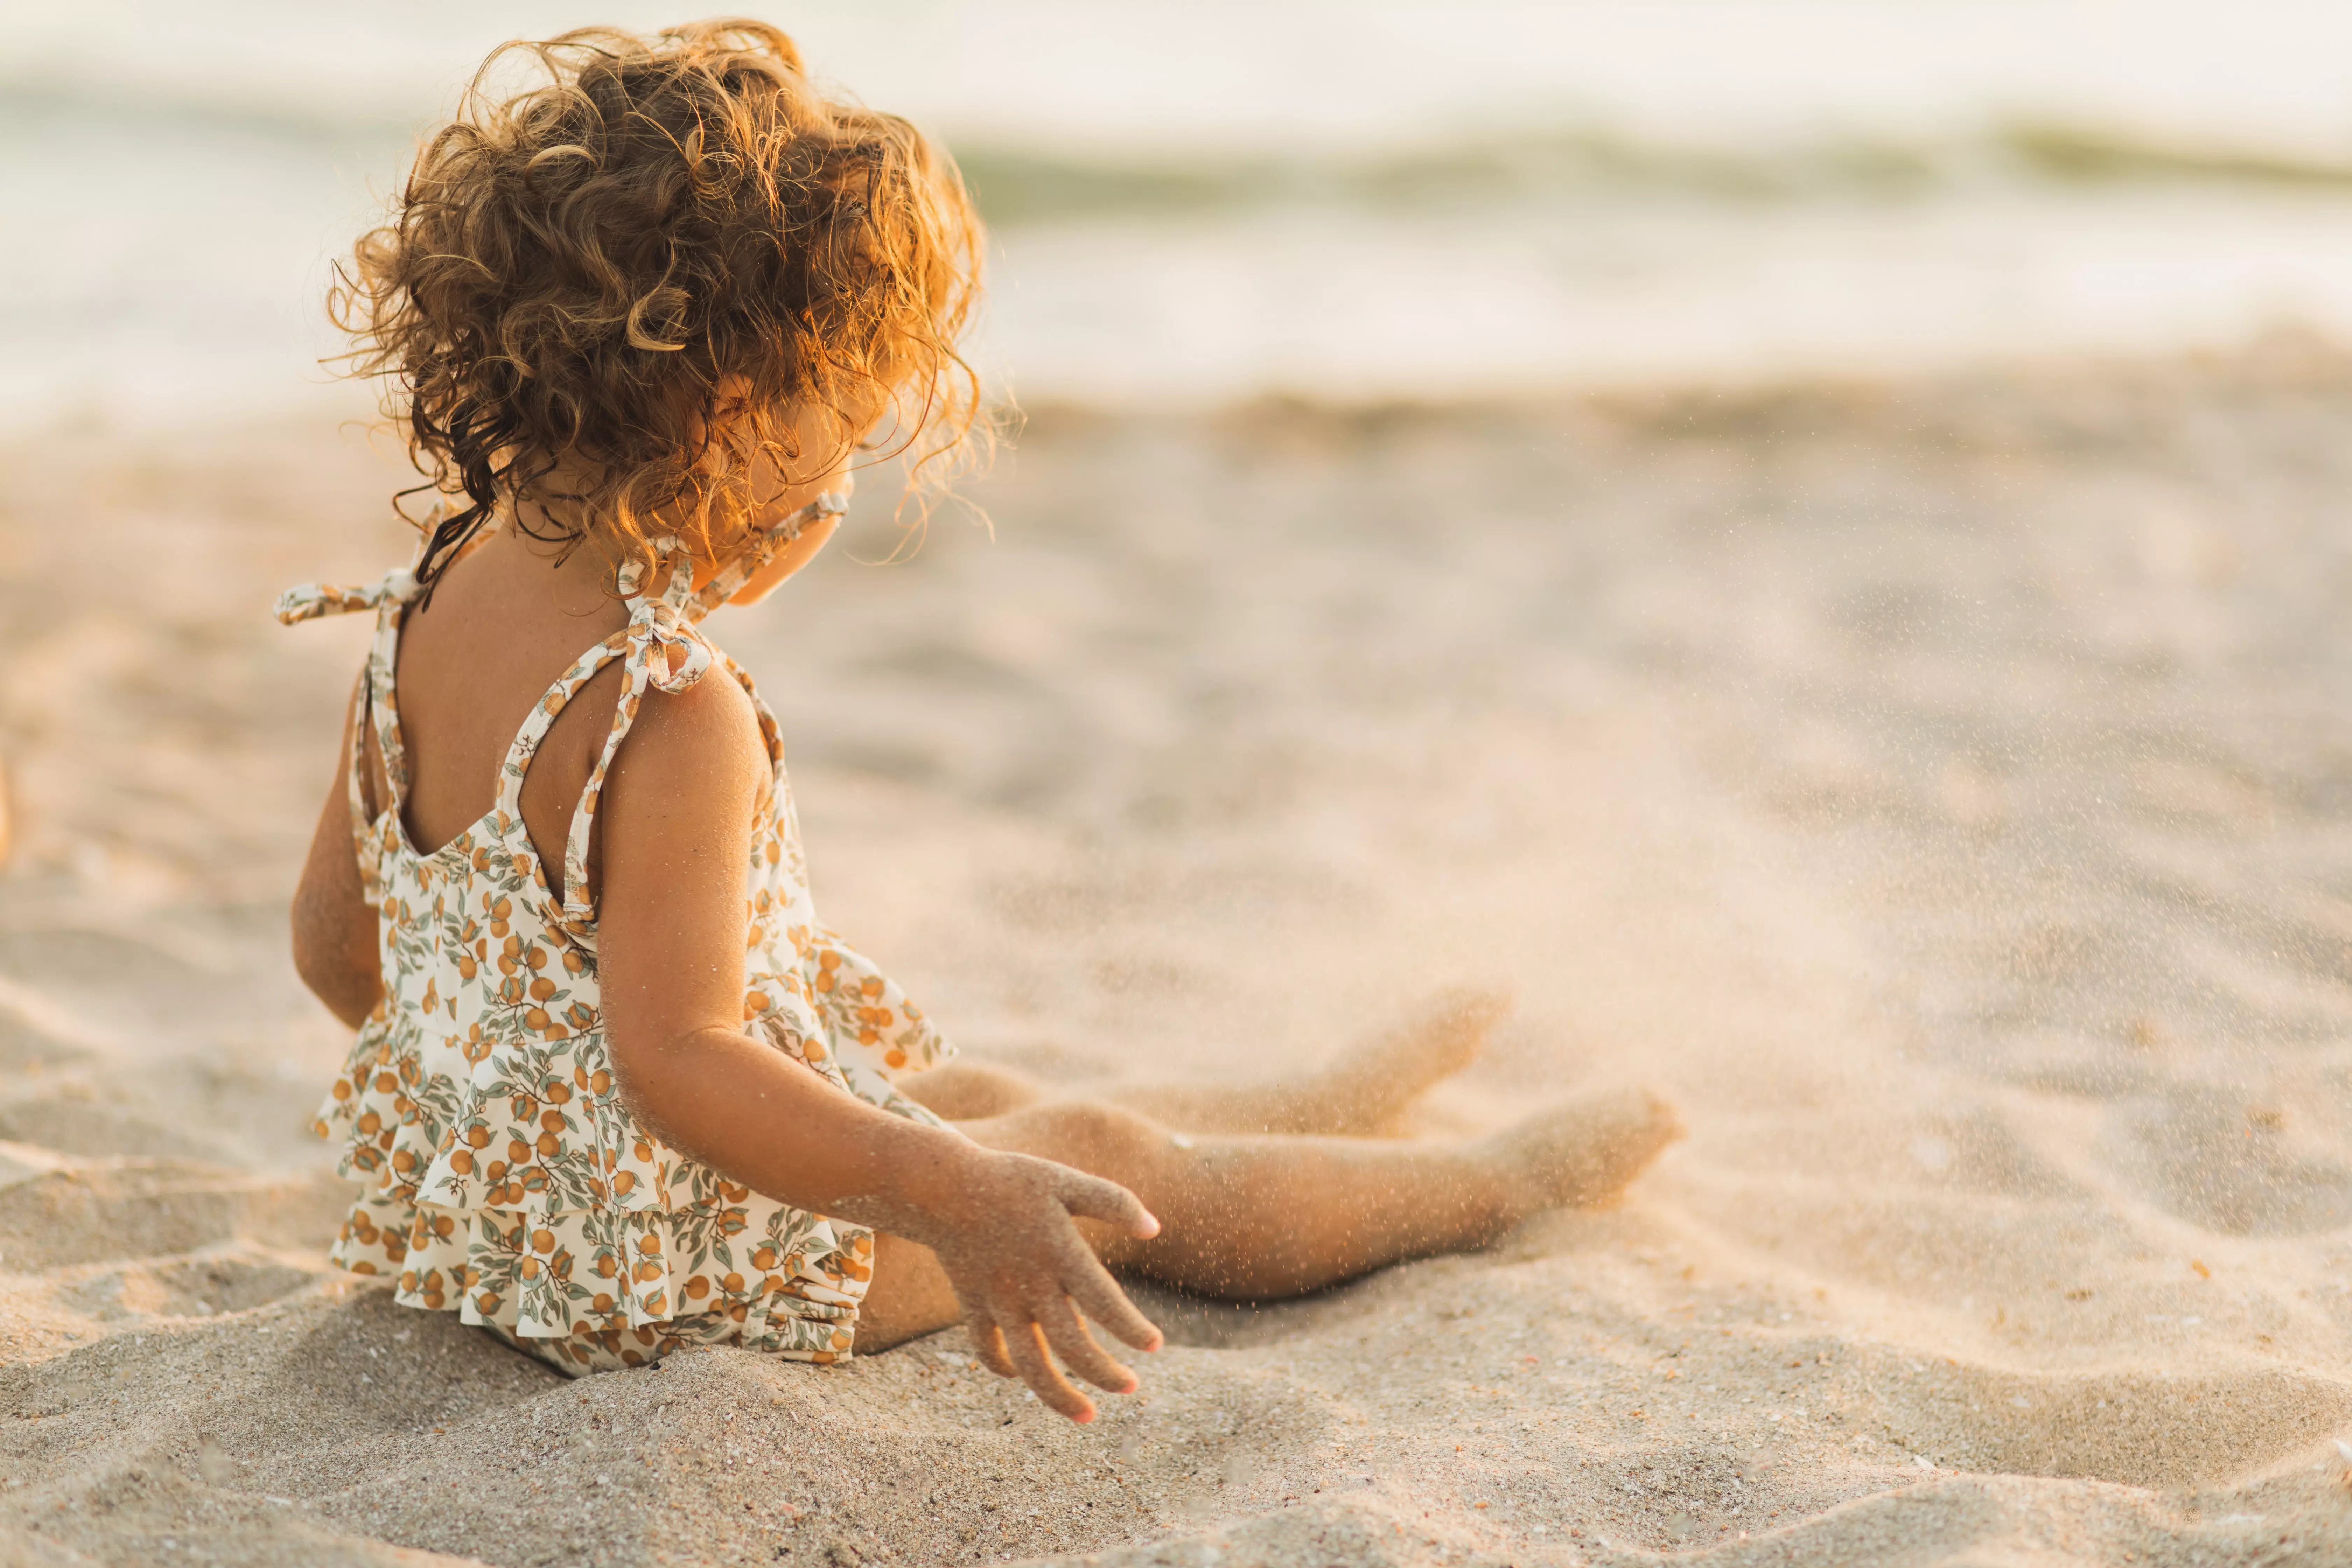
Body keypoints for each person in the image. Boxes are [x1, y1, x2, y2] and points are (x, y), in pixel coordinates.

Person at [284, 20, 1679, 1423]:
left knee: (977, 1091)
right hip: (667, 1283)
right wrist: (951, 1194)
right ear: (727, 415)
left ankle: (1311, 1098)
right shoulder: (663, 710)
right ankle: (1501, 1185)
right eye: (835, 456)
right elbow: (682, 1060)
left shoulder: (421, 604)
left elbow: (338, 948)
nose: (835, 501)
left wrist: (514, 1118)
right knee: (1094, 1153)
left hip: (495, 1238)